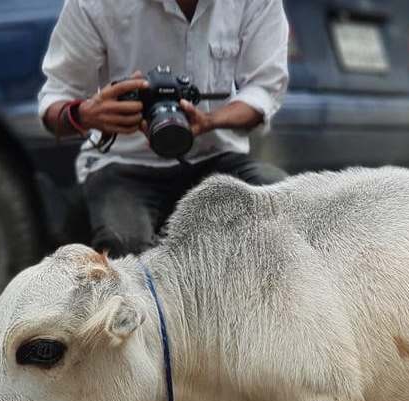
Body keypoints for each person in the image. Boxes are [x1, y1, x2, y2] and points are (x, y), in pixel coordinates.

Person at [38, 0, 289, 256]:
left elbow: (264, 88)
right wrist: (85, 114)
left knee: (288, 208)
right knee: (125, 249)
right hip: (123, 163)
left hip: (216, 155)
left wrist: (210, 121)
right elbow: (55, 100)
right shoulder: (96, 5)